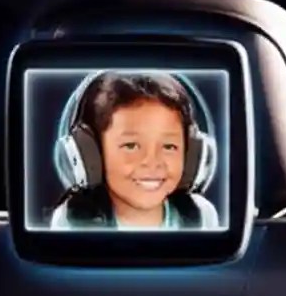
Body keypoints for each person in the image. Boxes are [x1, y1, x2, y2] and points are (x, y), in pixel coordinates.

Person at [50, 71, 218, 230]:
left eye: (169, 146)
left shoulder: (202, 216)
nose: (152, 162)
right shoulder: (72, 221)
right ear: (92, 155)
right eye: (131, 146)